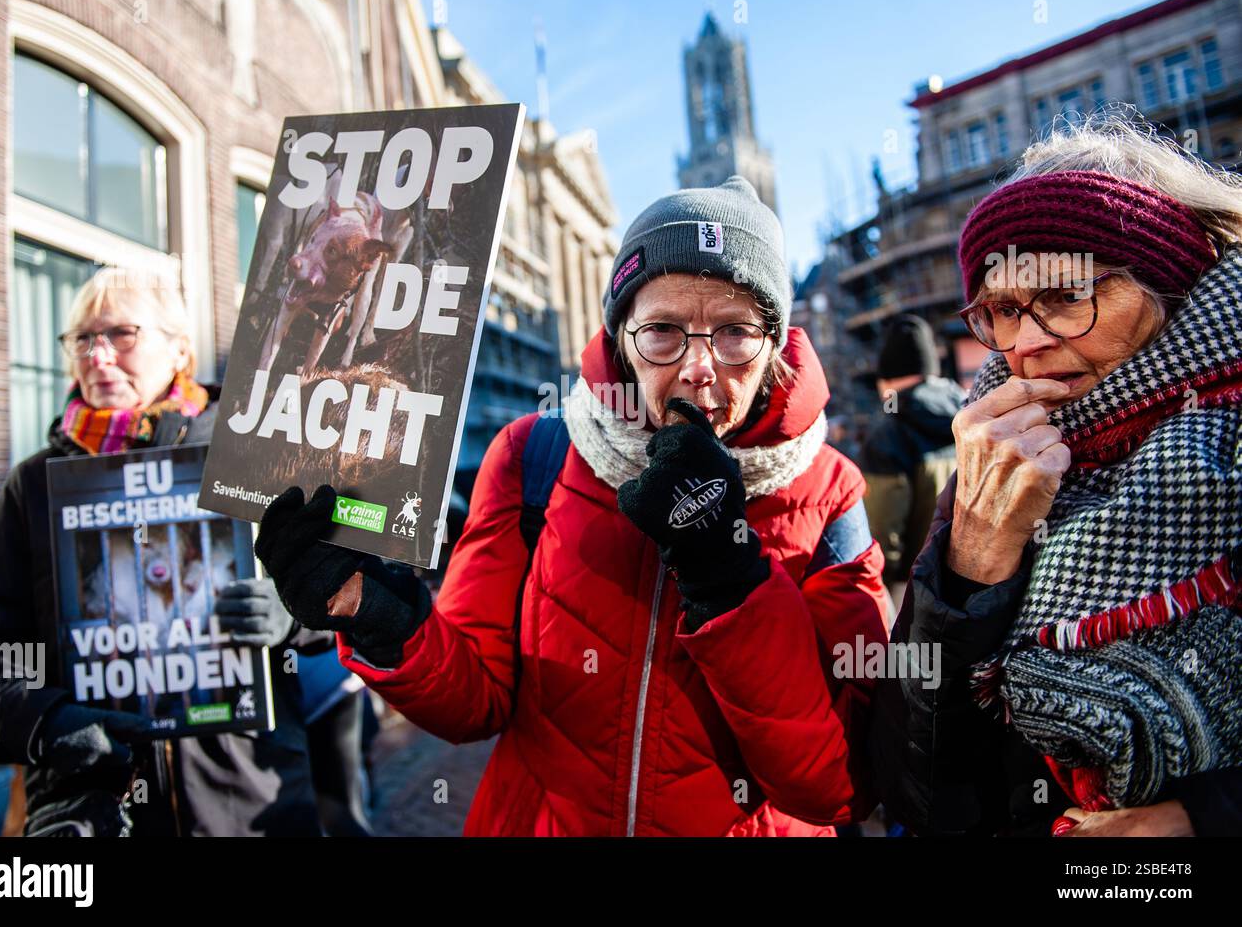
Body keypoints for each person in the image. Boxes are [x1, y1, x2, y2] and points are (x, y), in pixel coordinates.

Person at [255, 176, 890, 836]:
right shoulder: (538, 455)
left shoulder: (830, 490)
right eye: (664, 331)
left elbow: (838, 787)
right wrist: (373, 609)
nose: (701, 367)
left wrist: (732, 583)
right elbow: (476, 697)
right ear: (621, 339)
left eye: (734, 332)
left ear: (775, 341)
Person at [869, 114, 1242, 837]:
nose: (1027, 344)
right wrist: (972, 561)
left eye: (1067, 295)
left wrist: (1200, 817)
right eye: (1003, 310)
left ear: (1174, 290)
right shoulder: (990, 455)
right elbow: (915, 789)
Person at [0, 267, 329, 836]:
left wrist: (293, 609)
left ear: (180, 349)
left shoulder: (253, 457)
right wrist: (47, 723)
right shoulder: (34, 486)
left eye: (121, 335)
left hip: (252, 803)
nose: (98, 357)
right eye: (83, 339)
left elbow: (355, 587)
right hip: (95, 811)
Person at [859, 314, 964, 618]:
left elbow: (883, 528)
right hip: (970, 574)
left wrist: (882, 575)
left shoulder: (889, 434)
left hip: (910, 587)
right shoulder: (970, 412)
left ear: (887, 379)